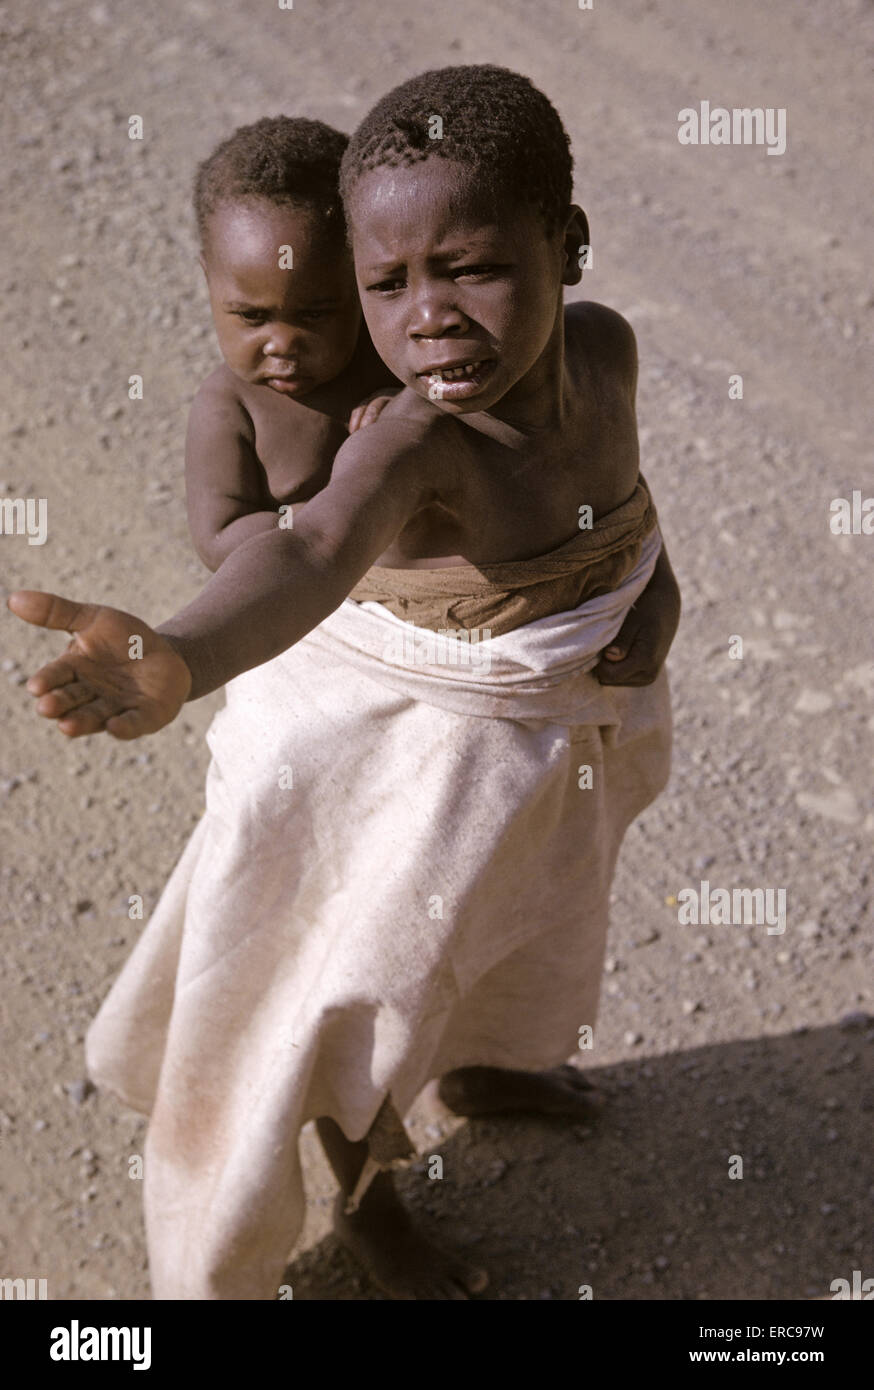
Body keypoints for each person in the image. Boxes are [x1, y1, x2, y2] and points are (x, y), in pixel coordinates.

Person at [9, 65, 680, 1299]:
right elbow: (308, 550)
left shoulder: (605, 347)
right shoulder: (410, 438)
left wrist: (658, 587)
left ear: (567, 246)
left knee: (514, 931)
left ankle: (486, 1065)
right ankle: (373, 1207)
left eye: (469, 266)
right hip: (401, 769)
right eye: (384, 286)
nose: (427, 315)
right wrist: (182, 654)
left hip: (536, 755)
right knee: (357, 992)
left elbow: (622, 509)